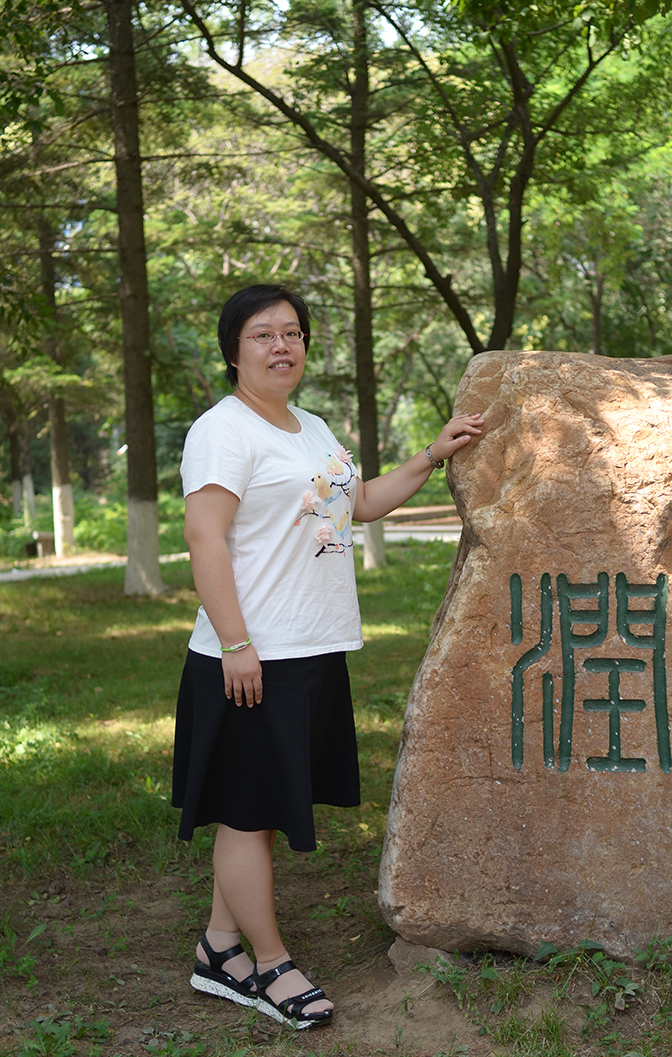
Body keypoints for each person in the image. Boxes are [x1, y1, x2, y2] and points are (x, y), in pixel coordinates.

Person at [172, 283, 484, 1030]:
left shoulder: (310, 427)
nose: (282, 346)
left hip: (312, 650)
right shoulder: (224, 431)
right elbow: (203, 537)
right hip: (252, 656)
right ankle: (272, 964)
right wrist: (237, 643)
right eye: (262, 335)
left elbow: (359, 502)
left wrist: (431, 456)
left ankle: (219, 947)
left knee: (259, 812)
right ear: (233, 351)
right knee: (246, 818)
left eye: (293, 333)